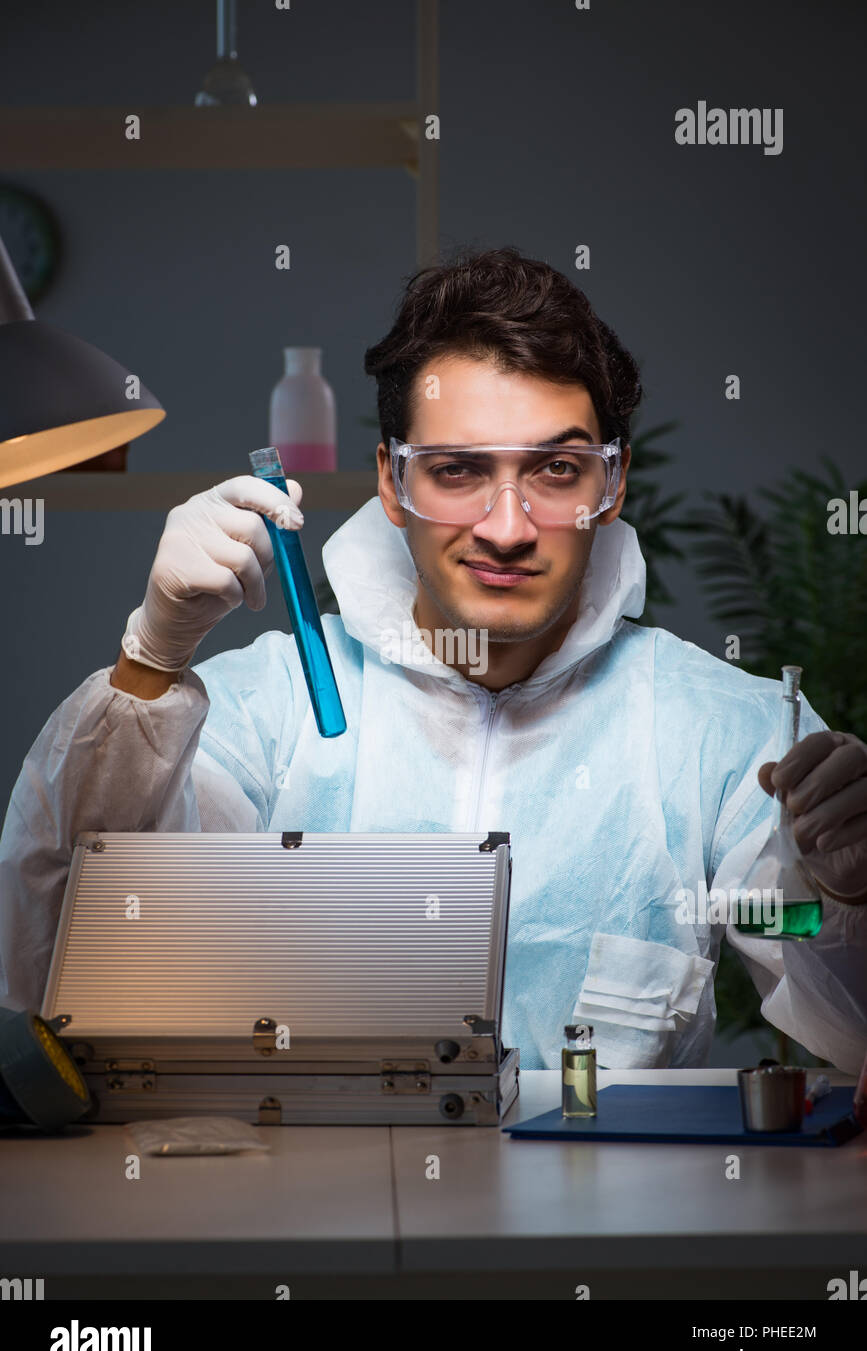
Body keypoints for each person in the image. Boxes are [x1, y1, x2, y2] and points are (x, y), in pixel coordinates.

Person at [1, 246, 865, 1072]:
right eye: (456, 470)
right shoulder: (266, 712)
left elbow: (850, 1028)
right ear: (391, 481)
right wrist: (148, 664)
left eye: (556, 470)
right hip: (299, 1216)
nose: (506, 526)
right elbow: (55, 981)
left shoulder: (722, 736)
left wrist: (850, 901)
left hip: (600, 1226)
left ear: (612, 486)